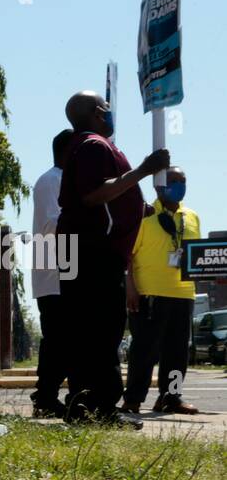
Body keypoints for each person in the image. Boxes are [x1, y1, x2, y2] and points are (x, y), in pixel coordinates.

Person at [55, 91, 169, 427]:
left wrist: (134, 208)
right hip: (94, 251)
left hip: (86, 249)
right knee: (102, 331)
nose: (110, 113)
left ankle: (83, 406)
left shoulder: (85, 146)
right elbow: (94, 195)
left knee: (88, 331)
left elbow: (102, 196)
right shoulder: (94, 145)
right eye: (106, 109)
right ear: (96, 113)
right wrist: (145, 170)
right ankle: (100, 409)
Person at [120, 167, 201, 415]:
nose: (179, 186)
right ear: (158, 185)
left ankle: (171, 397)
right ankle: (133, 400)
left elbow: (196, 255)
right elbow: (128, 255)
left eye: (183, 181)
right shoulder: (144, 215)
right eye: (173, 181)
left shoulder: (192, 217)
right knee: (144, 350)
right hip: (149, 293)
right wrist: (130, 288)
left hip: (183, 293)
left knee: (177, 352)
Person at [29, 129, 74, 418]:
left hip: (68, 273)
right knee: (57, 341)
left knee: (66, 341)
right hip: (54, 276)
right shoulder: (50, 181)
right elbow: (50, 225)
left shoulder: (67, 181)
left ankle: (49, 396)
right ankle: (45, 398)